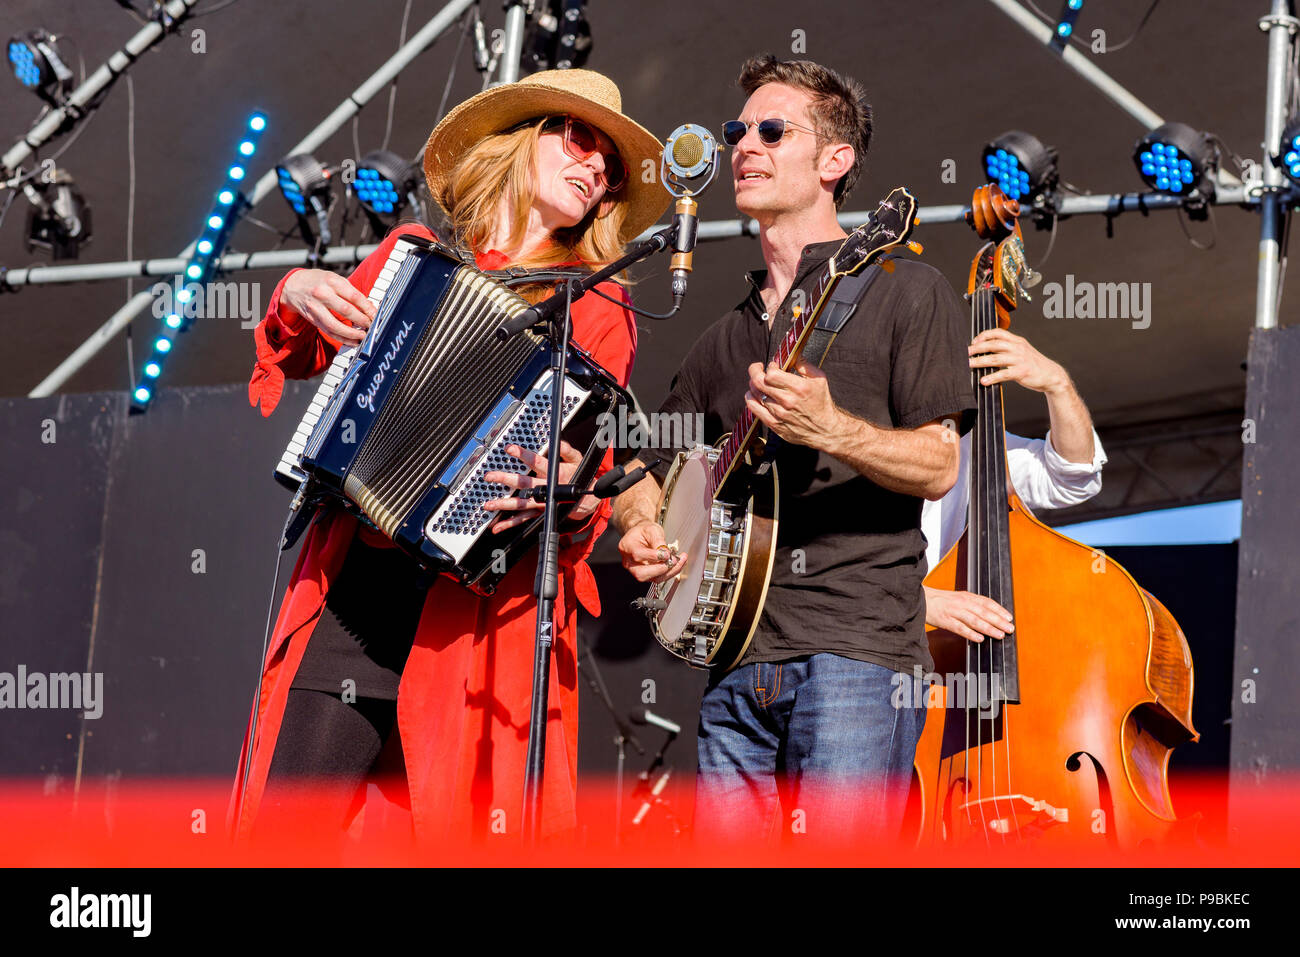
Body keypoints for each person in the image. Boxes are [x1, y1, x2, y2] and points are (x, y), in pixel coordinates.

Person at [228, 69, 667, 847]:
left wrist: (568, 492)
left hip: (481, 621)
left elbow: (584, 481)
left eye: (612, 166)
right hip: (355, 595)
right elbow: (300, 349)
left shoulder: (597, 303)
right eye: (580, 136)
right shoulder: (412, 254)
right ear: (521, 140)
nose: (598, 165)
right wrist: (296, 288)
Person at [611, 54, 975, 847]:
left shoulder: (906, 292)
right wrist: (639, 521)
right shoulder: (720, 340)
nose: (744, 145)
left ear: (836, 162)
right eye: (737, 130)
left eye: (773, 130)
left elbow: (940, 463)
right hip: (732, 661)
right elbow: (644, 465)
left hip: (856, 654)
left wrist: (832, 427)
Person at [922, 327, 1108, 641]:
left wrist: (1057, 384)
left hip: (930, 652)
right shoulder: (843, 430)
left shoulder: (963, 439)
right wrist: (916, 600)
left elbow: (1071, 477)